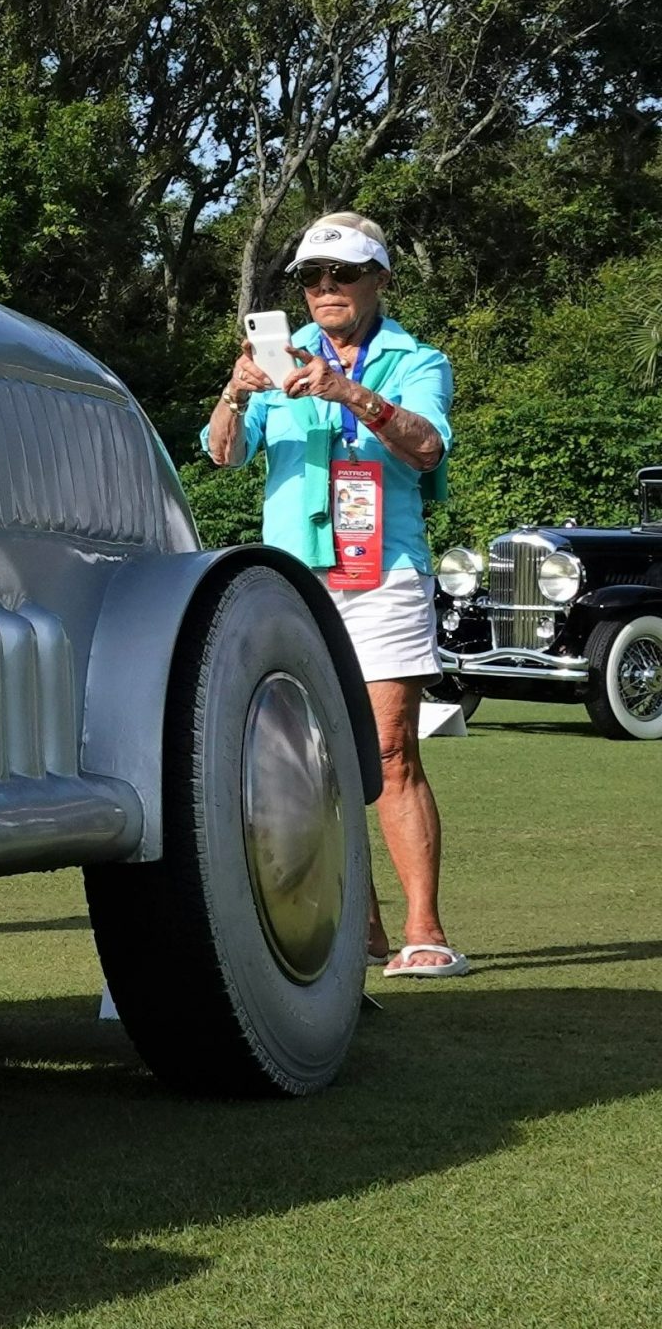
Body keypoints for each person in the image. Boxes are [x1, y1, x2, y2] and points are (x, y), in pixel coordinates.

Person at [201, 213, 468, 978]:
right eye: (313, 278)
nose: (324, 290)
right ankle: (365, 926)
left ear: (380, 278)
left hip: (383, 573)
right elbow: (223, 456)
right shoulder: (272, 356)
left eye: (341, 275)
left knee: (387, 749)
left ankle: (426, 931)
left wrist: (350, 391)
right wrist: (236, 390)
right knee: (308, 760)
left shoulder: (418, 360)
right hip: (293, 579)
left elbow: (428, 445)